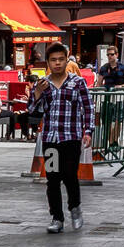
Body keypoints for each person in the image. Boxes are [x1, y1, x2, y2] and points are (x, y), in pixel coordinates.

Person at [30, 43, 94, 233]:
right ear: (48, 63)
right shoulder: (42, 84)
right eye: (53, 60)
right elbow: (33, 113)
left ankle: (75, 207)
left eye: (60, 59)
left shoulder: (77, 82)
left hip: (71, 138)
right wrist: (37, 94)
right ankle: (57, 218)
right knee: (52, 178)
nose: (57, 63)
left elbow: (88, 108)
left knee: (69, 175)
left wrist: (88, 131)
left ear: (67, 60)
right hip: (50, 138)